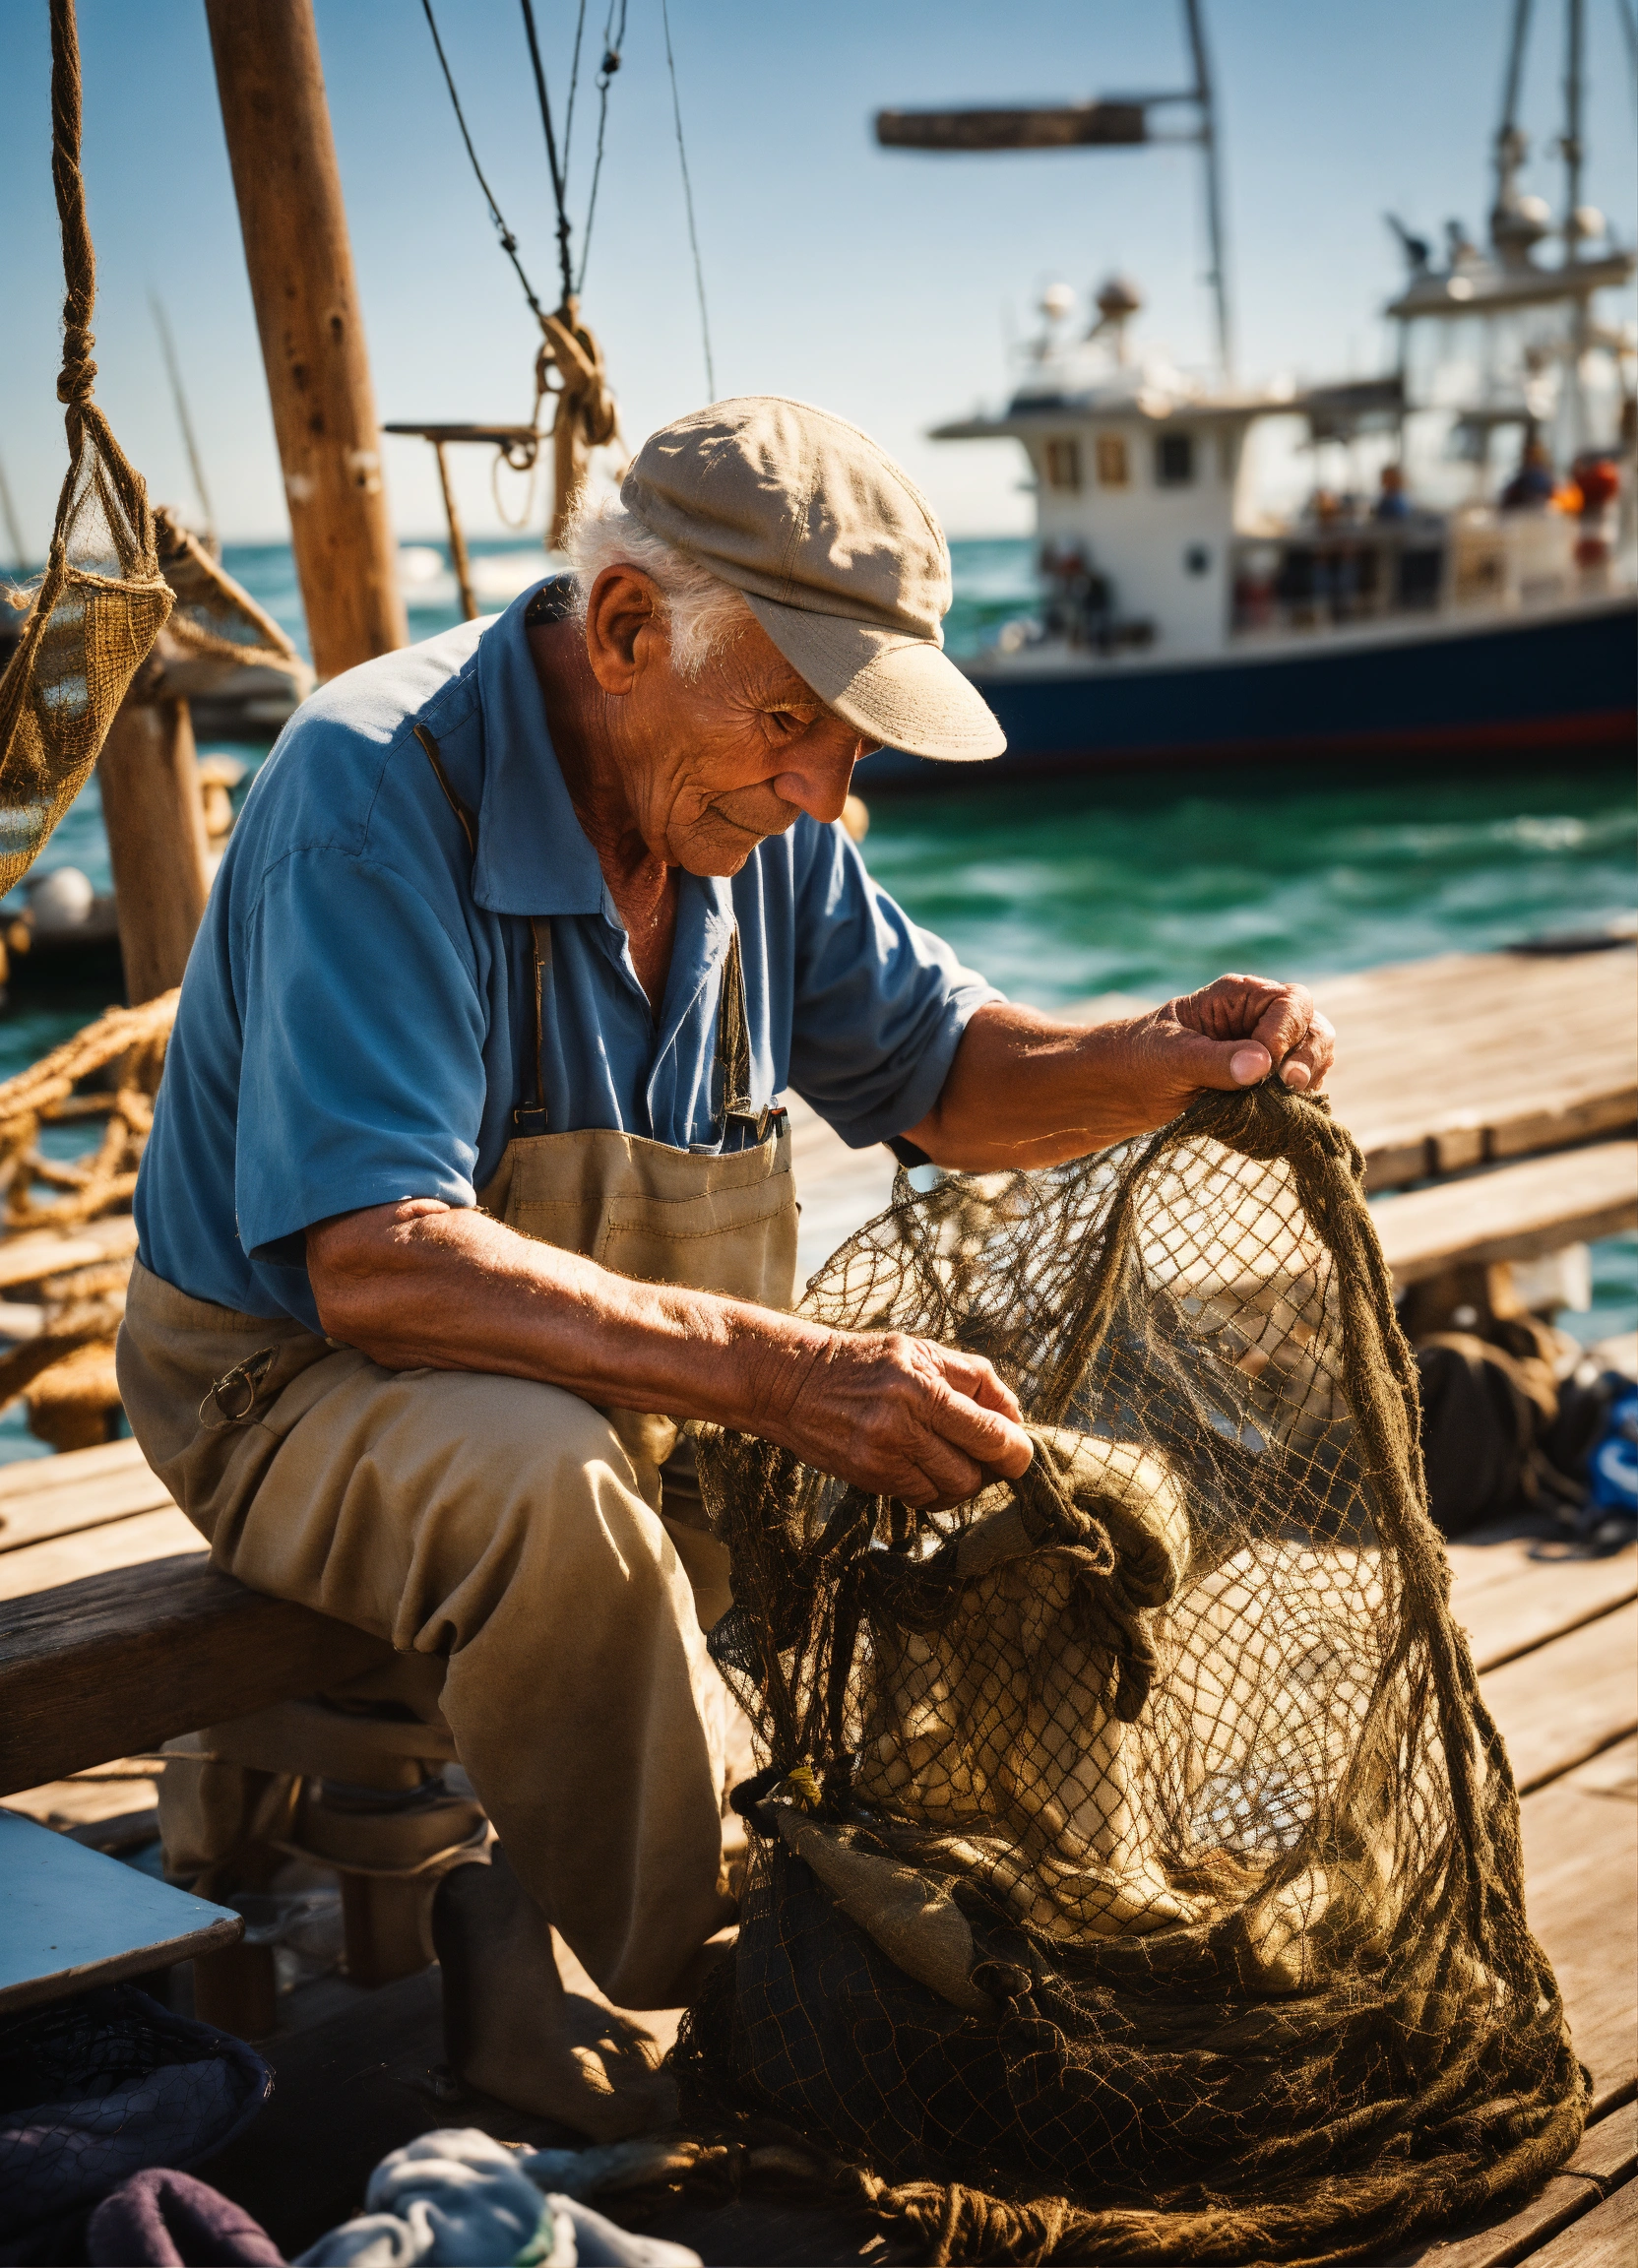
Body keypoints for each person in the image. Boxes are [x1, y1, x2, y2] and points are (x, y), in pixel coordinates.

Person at [117, 397, 1335, 2133]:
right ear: (625, 633)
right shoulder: (367, 786)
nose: (829, 792)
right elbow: (380, 1265)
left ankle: (1031, 1925)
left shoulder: (759, 809)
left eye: (850, 740)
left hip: (622, 1370)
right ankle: (736, 1977)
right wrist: (785, 1374)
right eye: (793, 722)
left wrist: (1164, 1053)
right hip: (293, 1374)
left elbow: (946, 1074)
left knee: (1013, 1478)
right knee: (552, 1492)